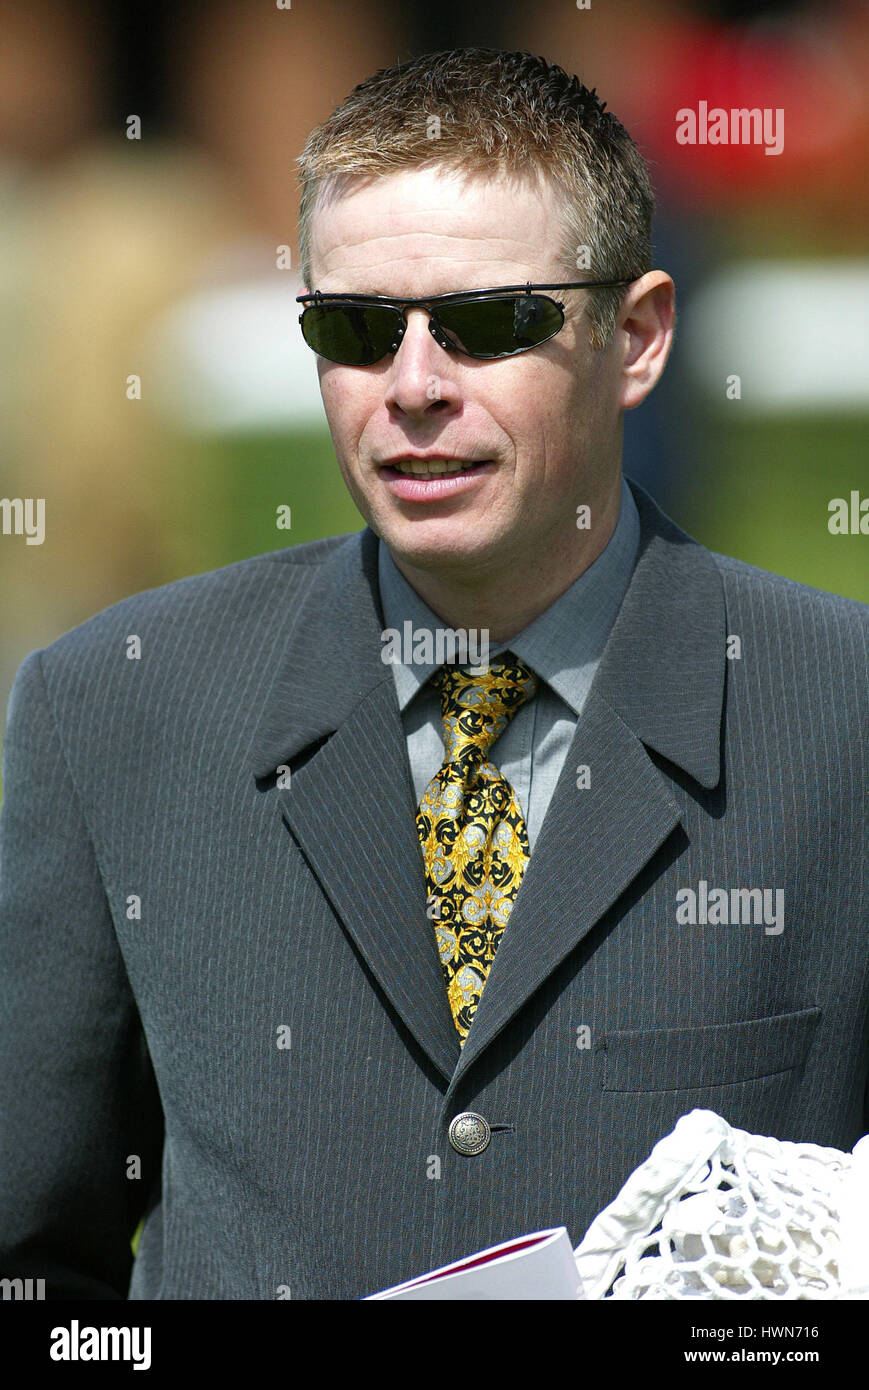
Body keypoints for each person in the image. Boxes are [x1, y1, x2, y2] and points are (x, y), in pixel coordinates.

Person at [0, 48, 866, 1302]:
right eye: (356, 329)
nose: (412, 386)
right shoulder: (113, 707)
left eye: (484, 322)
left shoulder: (837, 715)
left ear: (634, 338)